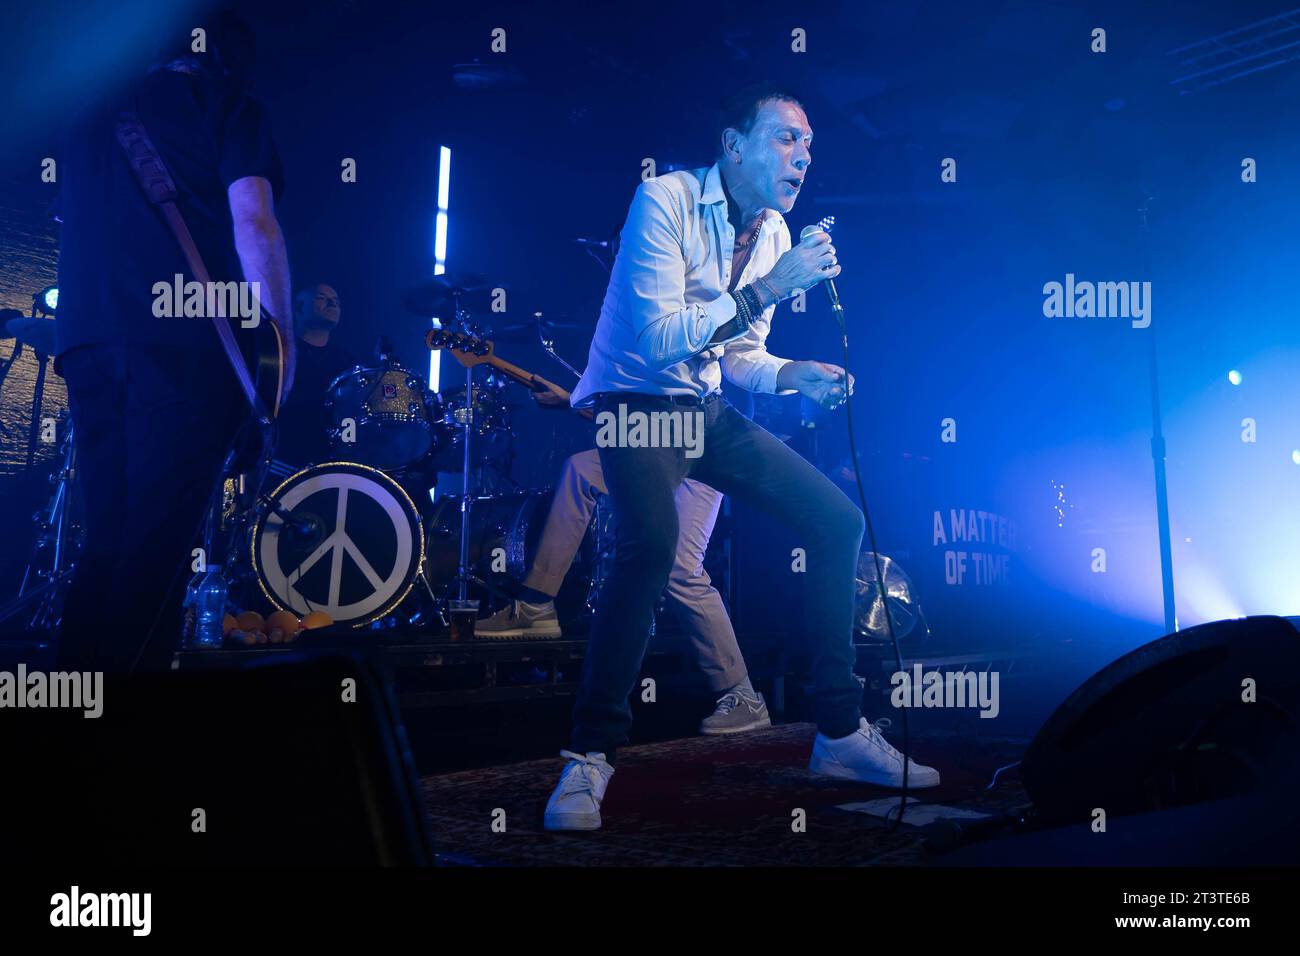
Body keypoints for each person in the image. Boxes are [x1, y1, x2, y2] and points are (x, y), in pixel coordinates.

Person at [543, 87, 940, 831]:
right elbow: (662, 339)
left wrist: (796, 375)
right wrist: (767, 290)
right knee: (652, 547)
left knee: (835, 522)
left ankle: (840, 733)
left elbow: (743, 354)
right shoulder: (662, 198)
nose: (803, 156)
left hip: (704, 407)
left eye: (810, 145)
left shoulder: (776, 232)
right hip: (636, 403)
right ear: (734, 144)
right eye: (787, 138)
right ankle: (587, 757)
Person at [53, 13, 293, 671]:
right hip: (183, 347)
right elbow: (256, 224)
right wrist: (280, 340)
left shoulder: (89, 116)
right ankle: (128, 737)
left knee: (107, 540)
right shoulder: (226, 105)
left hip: (89, 341)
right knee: (156, 551)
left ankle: (64, 723)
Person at [476, 447, 771, 736]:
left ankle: (742, 695)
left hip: (700, 452)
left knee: (680, 568)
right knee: (581, 469)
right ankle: (536, 604)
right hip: (651, 444)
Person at [273, 283, 361, 468]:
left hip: (329, 464)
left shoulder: (347, 362)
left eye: (336, 301)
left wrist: (348, 450)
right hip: (281, 459)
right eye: (322, 298)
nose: (332, 304)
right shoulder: (279, 352)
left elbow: (350, 415)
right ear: (299, 307)